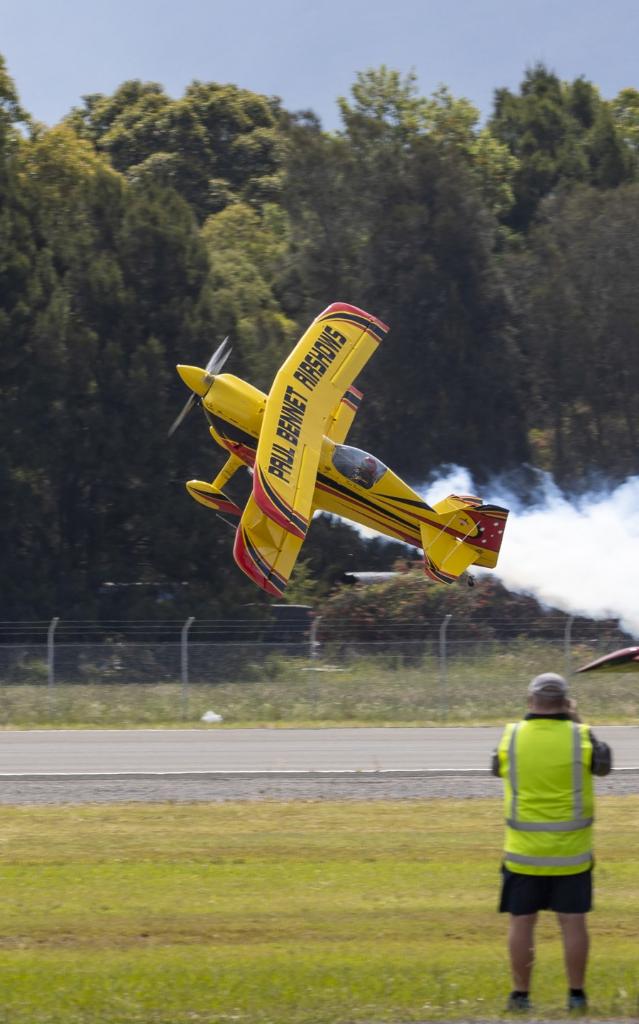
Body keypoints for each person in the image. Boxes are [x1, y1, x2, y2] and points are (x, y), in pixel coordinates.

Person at [492, 672, 612, 1014]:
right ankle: (576, 995)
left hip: (523, 853)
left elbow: (496, 768)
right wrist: (577, 720)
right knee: (573, 922)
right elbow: (603, 766)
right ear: (565, 702)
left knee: (521, 922)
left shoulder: (511, 736)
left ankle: (520, 996)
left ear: (530, 701)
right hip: (571, 853)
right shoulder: (581, 736)